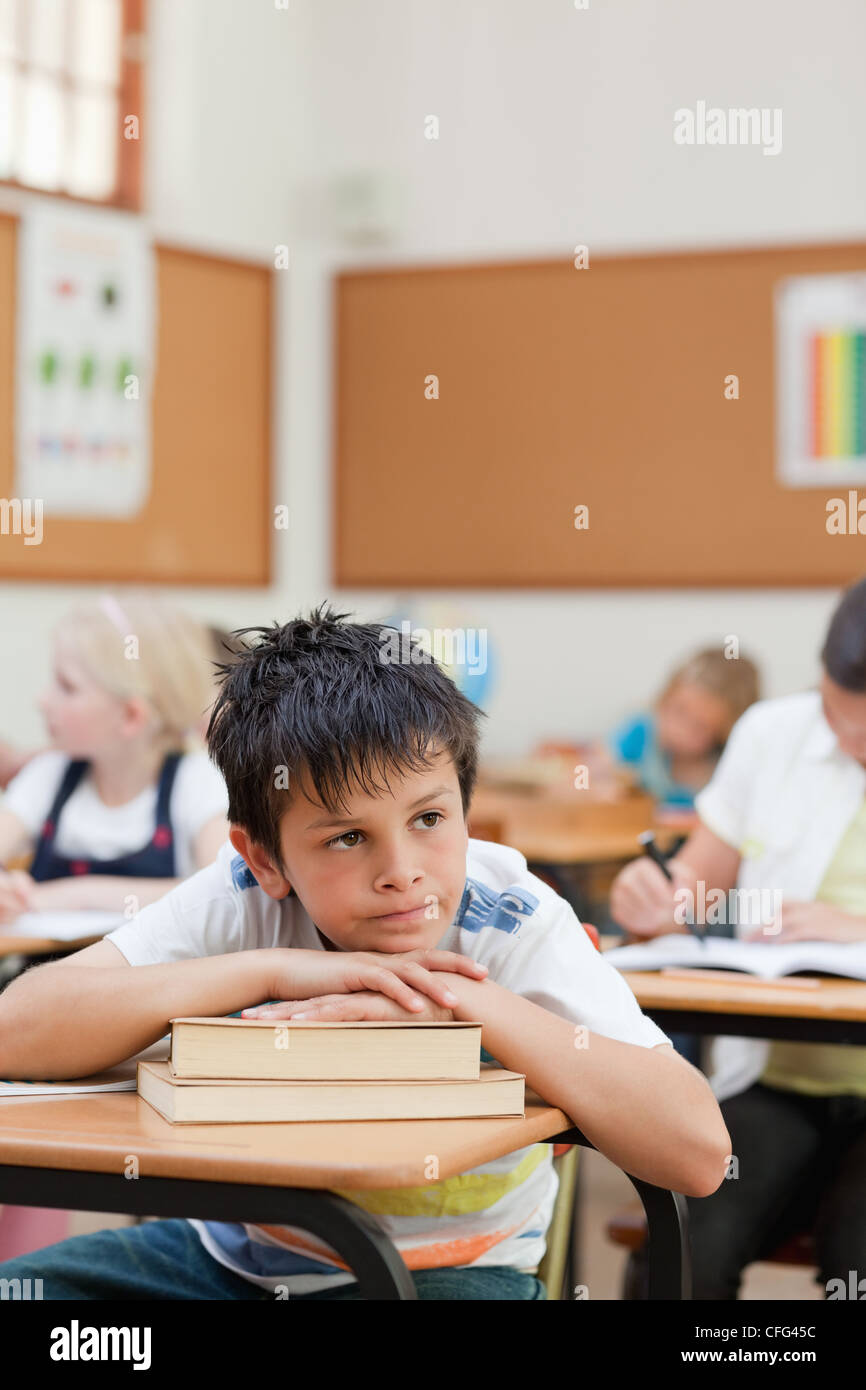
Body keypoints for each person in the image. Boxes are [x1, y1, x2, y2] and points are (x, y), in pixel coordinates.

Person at [0, 603, 730, 1300]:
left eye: (430, 818)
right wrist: (273, 969)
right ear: (265, 859)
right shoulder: (238, 895)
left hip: (449, 1272)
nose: (402, 870)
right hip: (237, 1263)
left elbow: (697, 1153)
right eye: (348, 837)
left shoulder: (512, 917)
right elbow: (18, 1028)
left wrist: (463, 1002)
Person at [610, 578, 866, 1299]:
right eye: (838, 721)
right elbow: (692, 889)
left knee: (858, 1266)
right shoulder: (773, 735)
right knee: (680, 1250)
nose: (847, 746)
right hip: (774, 1080)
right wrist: (655, 902)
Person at [0, 592, 230, 925]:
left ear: (131, 716)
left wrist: (73, 896)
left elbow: (223, 890)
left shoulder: (195, 781)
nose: (42, 700)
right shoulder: (48, 775)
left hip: (157, 978)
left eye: (67, 686)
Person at [605, 648, 761, 809]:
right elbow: (600, 769)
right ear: (666, 696)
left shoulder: (726, 768)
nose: (678, 730)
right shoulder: (639, 733)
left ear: (725, 734)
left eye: (699, 727)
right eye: (679, 710)